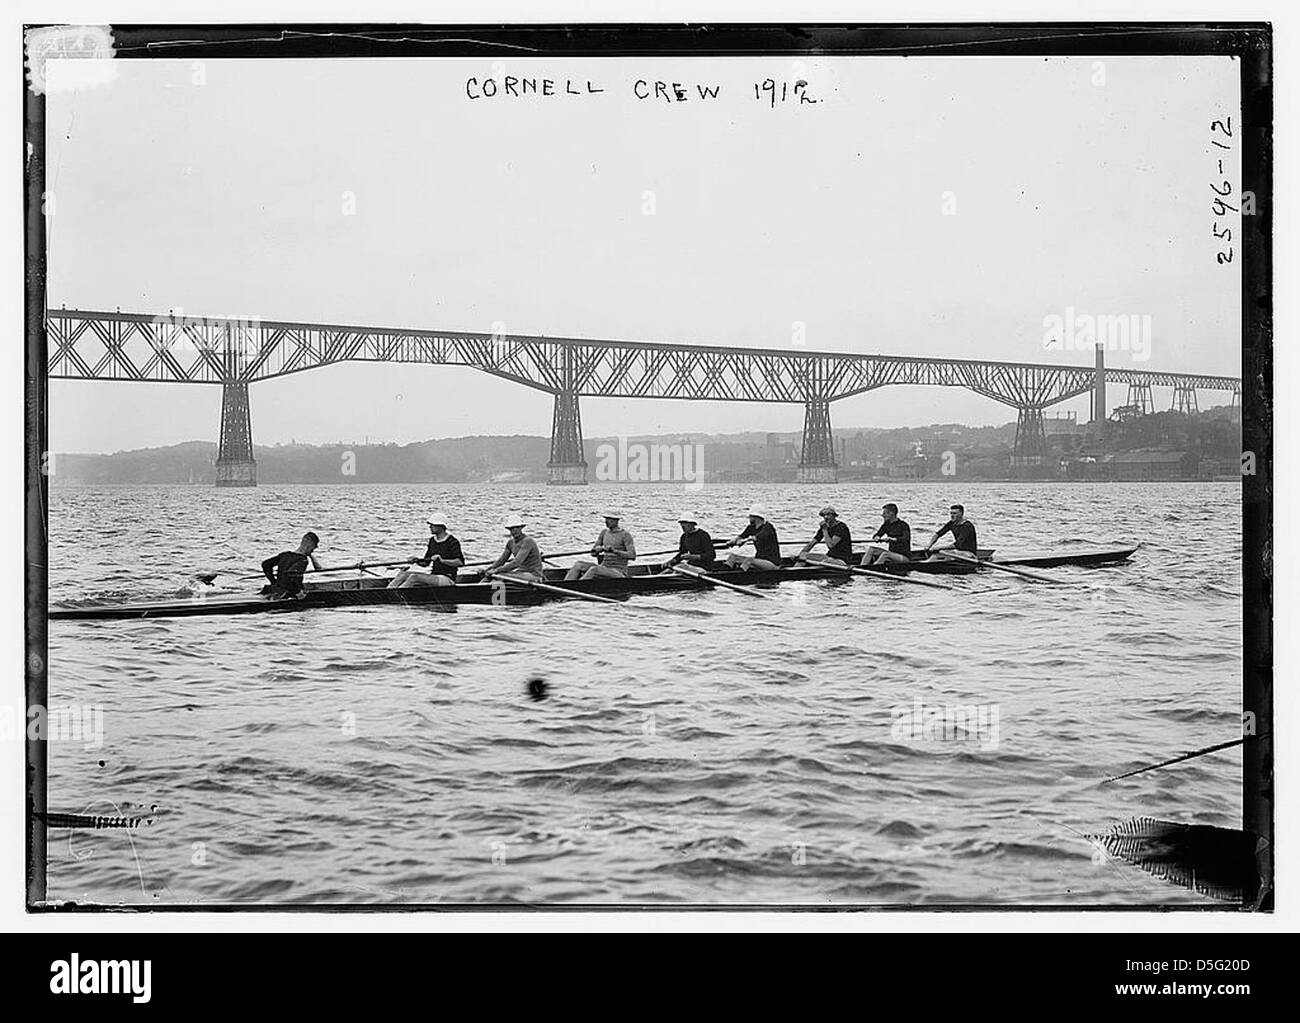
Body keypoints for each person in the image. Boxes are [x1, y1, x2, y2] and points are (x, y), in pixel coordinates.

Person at [387, 513, 465, 589]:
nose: (430, 527)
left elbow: (460, 562)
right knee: (403, 574)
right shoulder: (432, 541)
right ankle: (388, 592)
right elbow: (425, 563)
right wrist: (416, 560)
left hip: (447, 579)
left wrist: (442, 560)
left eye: (432, 525)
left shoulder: (452, 541)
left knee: (414, 577)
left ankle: (398, 596)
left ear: (441, 526)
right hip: (434, 576)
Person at [565, 512, 637, 581]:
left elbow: (632, 556)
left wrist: (614, 551)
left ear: (616, 521)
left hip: (618, 571)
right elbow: (593, 553)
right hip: (604, 567)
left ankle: (576, 587)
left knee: (594, 569)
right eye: (606, 519)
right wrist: (596, 551)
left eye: (609, 519)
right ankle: (565, 585)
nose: (606, 521)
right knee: (578, 564)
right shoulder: (604, 533)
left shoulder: (625, 535)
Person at [261, 531, 326, 598]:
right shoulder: (302, 560)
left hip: (277, 589)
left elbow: (266, 564)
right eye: (313, 548)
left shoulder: (285, 555)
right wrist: (298, 592)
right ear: (310, 545)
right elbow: (291, 573)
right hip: (289, 593)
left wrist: (273, 582)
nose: (313, 550)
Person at [482, 517, 545, 582]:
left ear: (521, 528)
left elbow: (516, 562)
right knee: (488, 578)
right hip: (520, 572)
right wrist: (487, 570)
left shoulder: (528, 541)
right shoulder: (510, 543)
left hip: (533, 575)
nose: (514, 531)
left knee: (498, 577)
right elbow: (501, 561)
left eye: (517, 528)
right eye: (512, 529)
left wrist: (496, 570)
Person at [725, 505, 782, 571]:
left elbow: (758, 536)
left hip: (772, 563)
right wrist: (732, 542)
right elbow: (741, 536)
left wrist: (744, 541)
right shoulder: (751, 527)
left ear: (756, 517)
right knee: (733, 557)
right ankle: (722, 574)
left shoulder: (768, 527)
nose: (749, 517)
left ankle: (738, 577)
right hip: (759, 560)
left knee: (749, 560)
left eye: (750, 516)